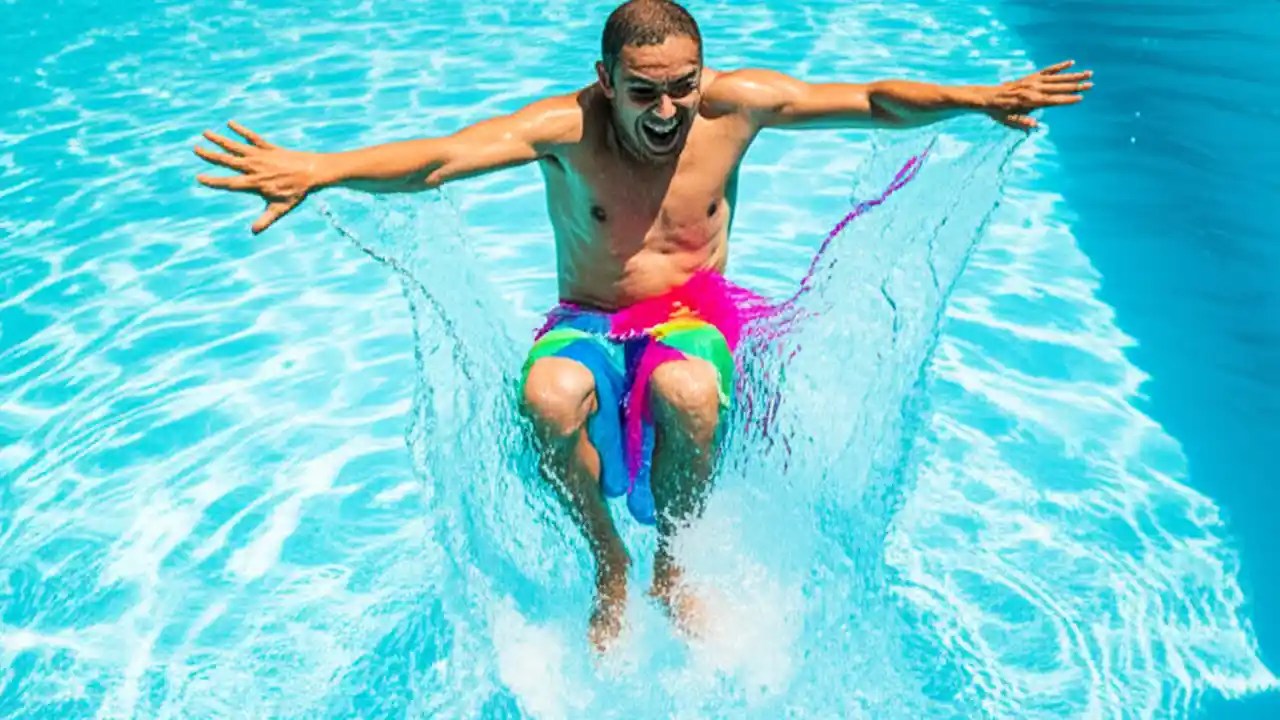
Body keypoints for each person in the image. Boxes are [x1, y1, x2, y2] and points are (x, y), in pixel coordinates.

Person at [193, 0, 1092, 651]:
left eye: (682, 89)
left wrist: (979, 97)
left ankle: (670, 563)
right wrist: (320, 169)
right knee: (546, 399)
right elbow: (441, 159)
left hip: (694, 320)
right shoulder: (564, 128)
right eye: (644, 93)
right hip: (587, 321)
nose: (666, 113)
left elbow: (869, 101)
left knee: (687, 391)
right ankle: (610, 565)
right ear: (606, 82)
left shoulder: (732, 109)